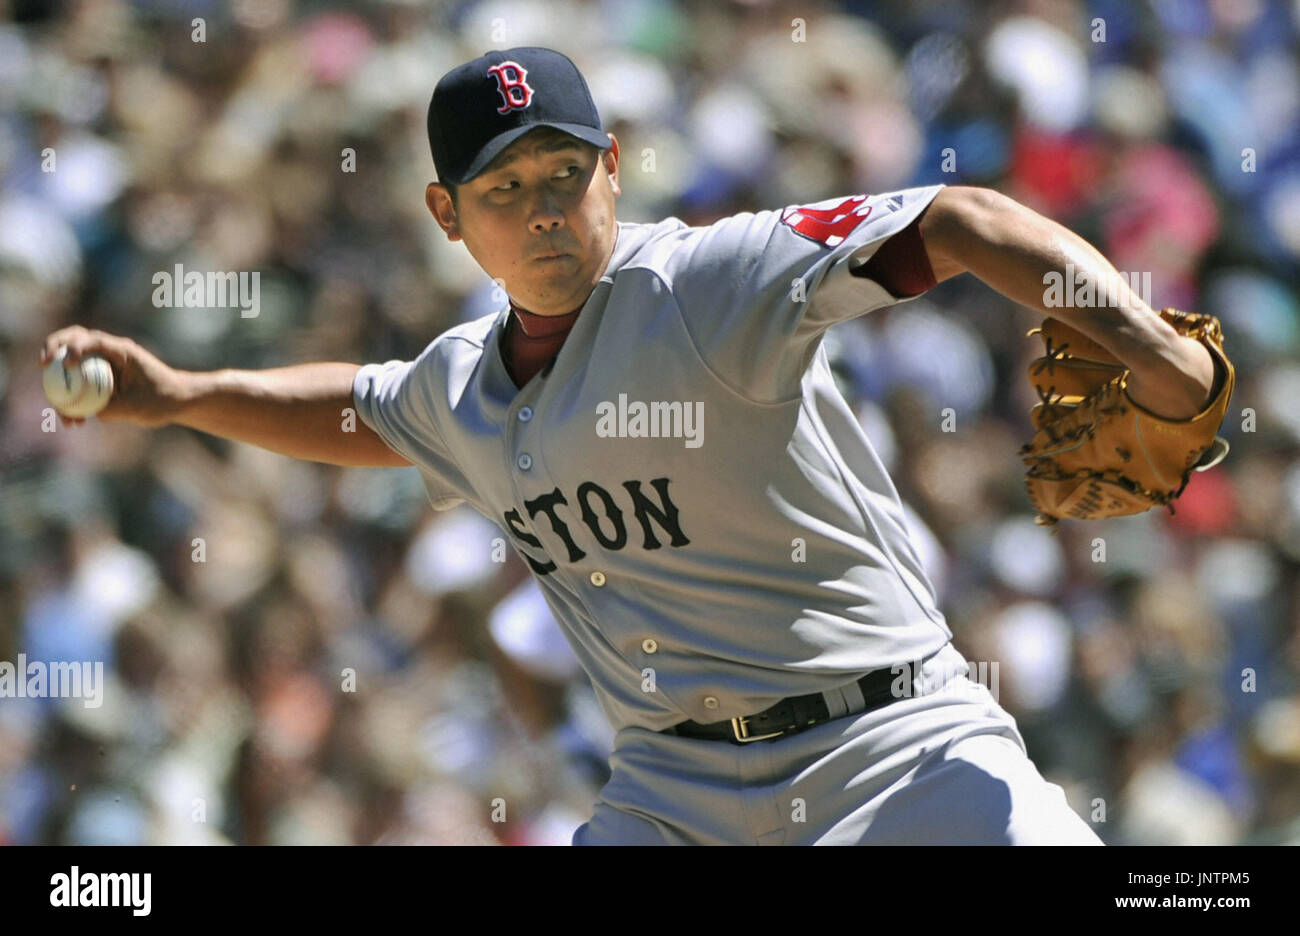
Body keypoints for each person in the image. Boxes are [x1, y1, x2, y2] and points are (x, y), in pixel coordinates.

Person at [41, 47, 1220, 845]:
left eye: (566, 172)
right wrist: (184, 394)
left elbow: (960, 221)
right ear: (446, 215)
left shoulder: (707, 282)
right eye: (505, 188)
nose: (545, 210)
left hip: (891, 747)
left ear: (612, 168)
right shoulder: (462, 386)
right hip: (673, 795)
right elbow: (359, 407)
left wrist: (1151, 349)